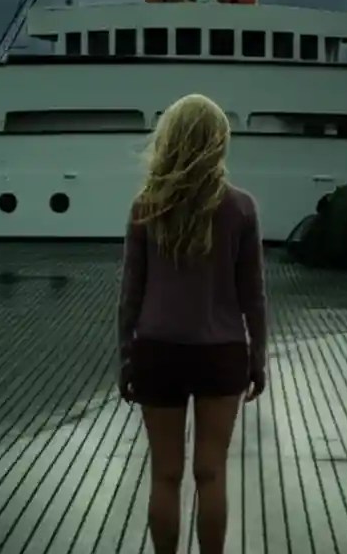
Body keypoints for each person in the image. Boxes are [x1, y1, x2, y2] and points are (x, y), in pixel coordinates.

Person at [116, 92, 269, 554]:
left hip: (157, 352)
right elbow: (253, 296)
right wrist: (257, 358)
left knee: (165, 473)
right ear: (219, 142)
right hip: (221, 352)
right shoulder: (240, 208)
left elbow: (131, 294)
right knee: (211, 471)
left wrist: (127, 357)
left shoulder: (146, 207)